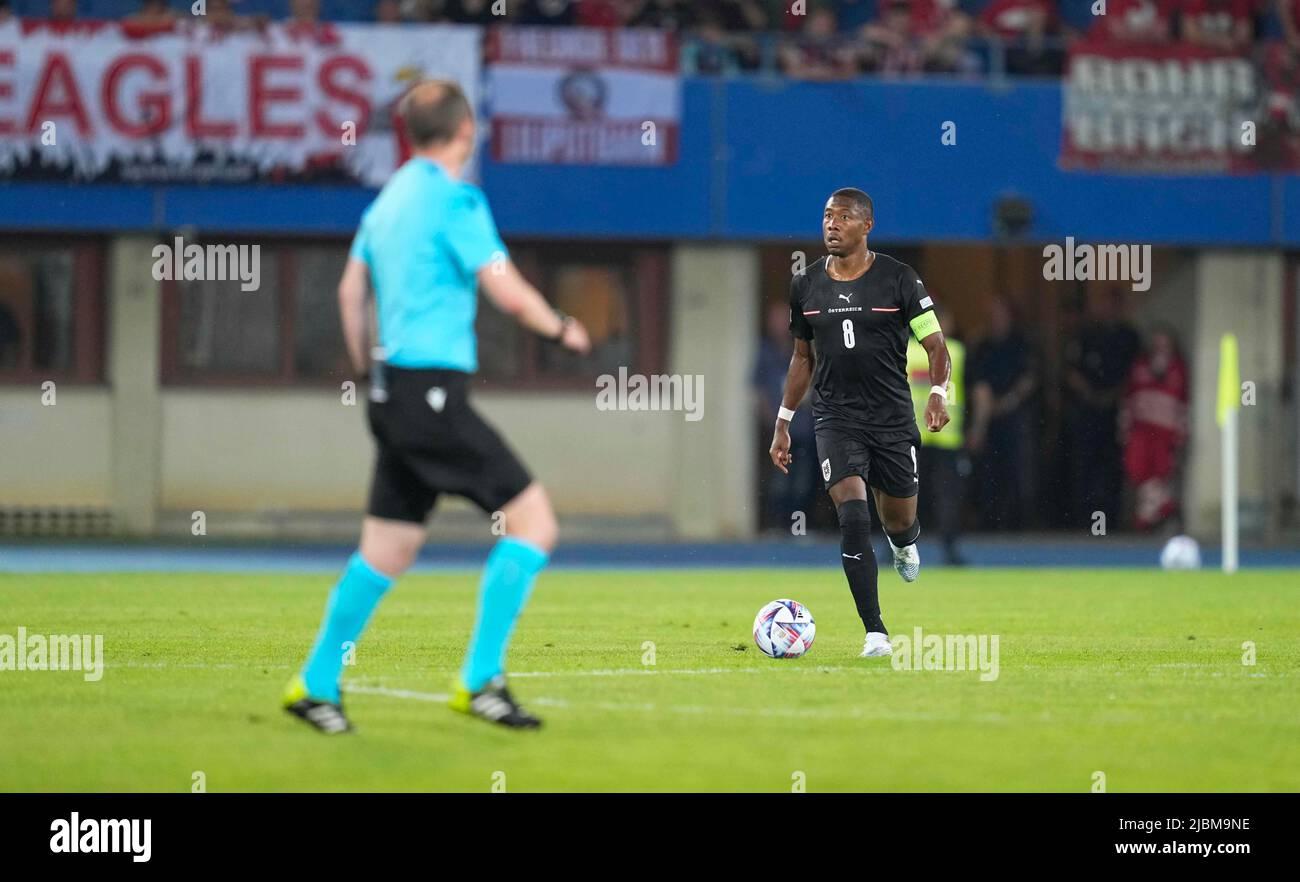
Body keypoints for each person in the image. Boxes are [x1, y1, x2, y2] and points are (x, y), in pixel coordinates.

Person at [283, 80, 591, 734]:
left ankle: (316, 683)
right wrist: (562, 328)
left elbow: (348, 293)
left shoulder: (386, 202)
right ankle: (480, 680)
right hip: (431, 392)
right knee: (534, 524)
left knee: (386, 551)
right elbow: (505, 291)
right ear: (465, 131)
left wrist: (371, 371)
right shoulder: (455, 200)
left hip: (392, 391)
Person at [769, 188, 952, 659]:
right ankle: (875, 632)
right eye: (827, 216)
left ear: (866, 225)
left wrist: (937, 393)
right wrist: (784, 421)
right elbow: (801, 357)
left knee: (899, 520)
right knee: (853, 516)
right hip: (836, 418)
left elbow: (936, 346)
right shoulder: (805, 286)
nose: (832, 224)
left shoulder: (899, 279)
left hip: (891, 420)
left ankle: (904, 544)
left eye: (844, 217)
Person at [1062, 288, 1140, 527]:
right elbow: (1070, 370)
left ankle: (1110, 521)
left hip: (1116, 411)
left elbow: (1135, 373)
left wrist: (1112, 395)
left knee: (1113, 467)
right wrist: (1091, 394)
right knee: (1084, 465)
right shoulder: (1087, 335)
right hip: (1086, 411)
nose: (1108, 310)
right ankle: (1083, 521)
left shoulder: (1129, 337)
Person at [966, 296, 1036, 530]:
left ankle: (1018, 523)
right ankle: (989, 522)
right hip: (987, 418)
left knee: (1017, 471)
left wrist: (1007, 402)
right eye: (991, 314)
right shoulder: (981, 345)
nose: (995, 319)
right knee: (987, 472)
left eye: (999, 313)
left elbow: (1029, 379)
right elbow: (976, 382)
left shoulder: (1021, 342)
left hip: (1014, 416)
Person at [907, 306, 967, 564]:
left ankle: (897, 548)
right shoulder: (955, 351)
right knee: (947, 497)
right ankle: (949, 549)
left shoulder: (907, 349)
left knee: (904, 494)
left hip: (912, 434)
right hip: (946, 435)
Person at [755, 301, 817, 532]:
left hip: (804, 430)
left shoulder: (805, 351)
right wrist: (776, 422)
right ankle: (778, 529)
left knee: (803, 483)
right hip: (779, 433)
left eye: (784, 319)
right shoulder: (766, 353)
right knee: (779, 483)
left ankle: (798, 529)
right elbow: (759, 390)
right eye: (776, 319)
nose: (780, 325)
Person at [1121, 326, 1188, 531]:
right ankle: (1162, 507)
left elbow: (1184, 402)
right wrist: (1124, 425)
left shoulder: (1178, 368)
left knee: (1161, 472)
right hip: (1141, 428)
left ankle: (1151, 513)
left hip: (1165, 431)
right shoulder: (1140, 365)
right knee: (1138, 469)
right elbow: (1129, 396)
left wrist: (1183, 430)